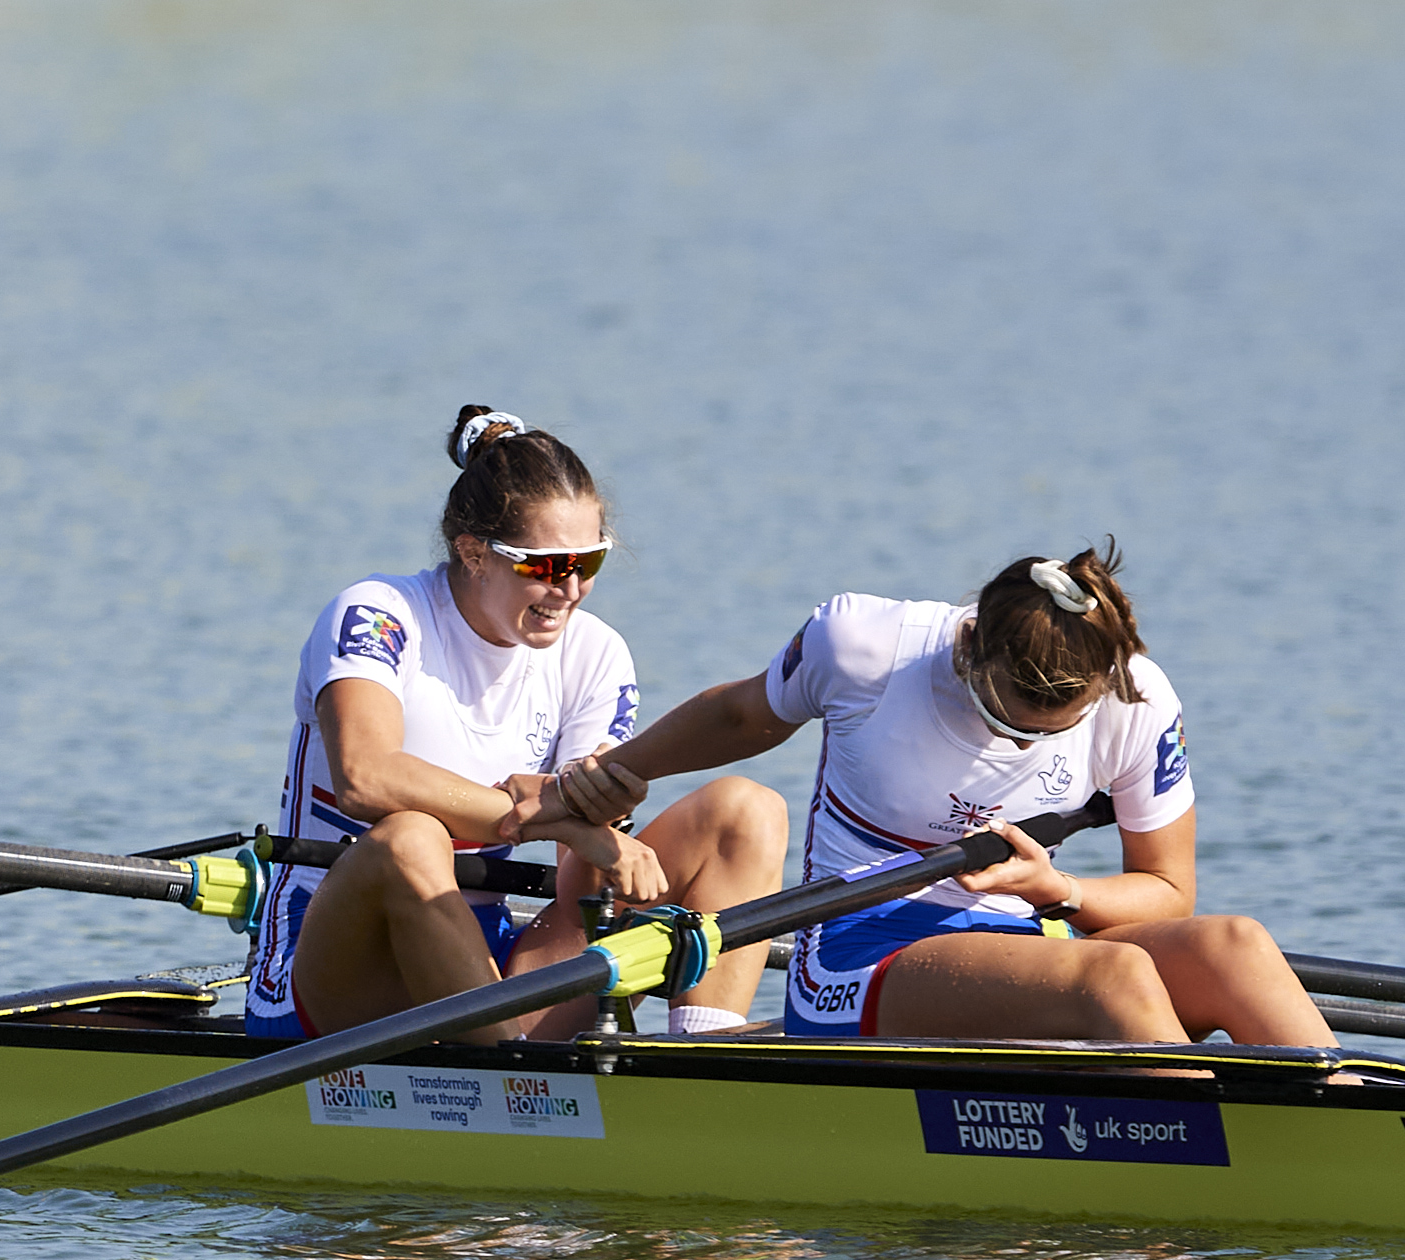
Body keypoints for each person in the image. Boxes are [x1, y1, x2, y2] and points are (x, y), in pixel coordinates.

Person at [529, 541, 1333, 1044]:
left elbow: (1168, 890)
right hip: (857, 954)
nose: (1024, 745)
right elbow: (744, 714)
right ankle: (1198, 1192)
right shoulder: (868, 648)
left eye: (1053, 731)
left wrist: (1060, 888)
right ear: (970, 649)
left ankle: (1340, 1133)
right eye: (1009, 722)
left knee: (1238, 947)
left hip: (1026, 948)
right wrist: (617, 774)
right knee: (1116, 979)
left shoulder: (1139, 698)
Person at [242, 405, 786, 1043]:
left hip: (489, 960)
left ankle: (703, 1061)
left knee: (746, 811)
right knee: (410, 839)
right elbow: (365, 779)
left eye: (589, 563)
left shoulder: (595, 654)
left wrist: (593, 824)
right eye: (546, 566)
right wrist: (548, 811)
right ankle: (516, 1084)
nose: (571, 588)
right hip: (334, 965)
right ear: (473, 554)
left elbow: (581, 879)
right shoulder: (380, 617)